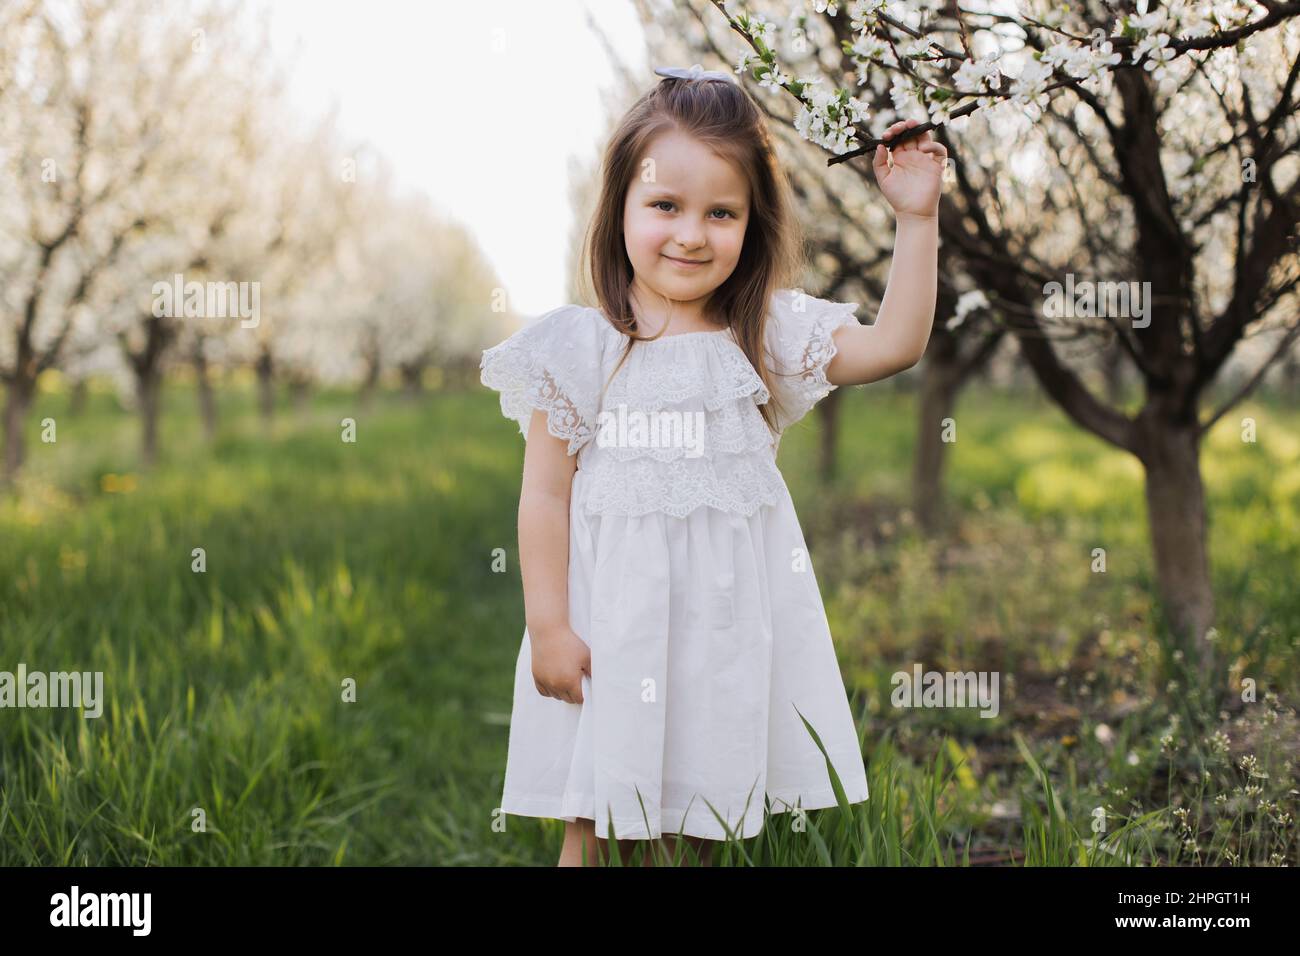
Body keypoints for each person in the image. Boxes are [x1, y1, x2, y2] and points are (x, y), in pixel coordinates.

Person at [480, 63, 944, 867]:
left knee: (708, 815)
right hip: (610, 629)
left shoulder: (762, 337)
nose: (692, 233)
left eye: (720, 213)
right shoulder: (582, 348)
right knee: (594, 819)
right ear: (619, 208)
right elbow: (544, 499)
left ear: (751, 224)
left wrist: (918, 219)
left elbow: (895, 345)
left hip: (723, 633)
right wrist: (548, 625)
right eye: (665, 205)